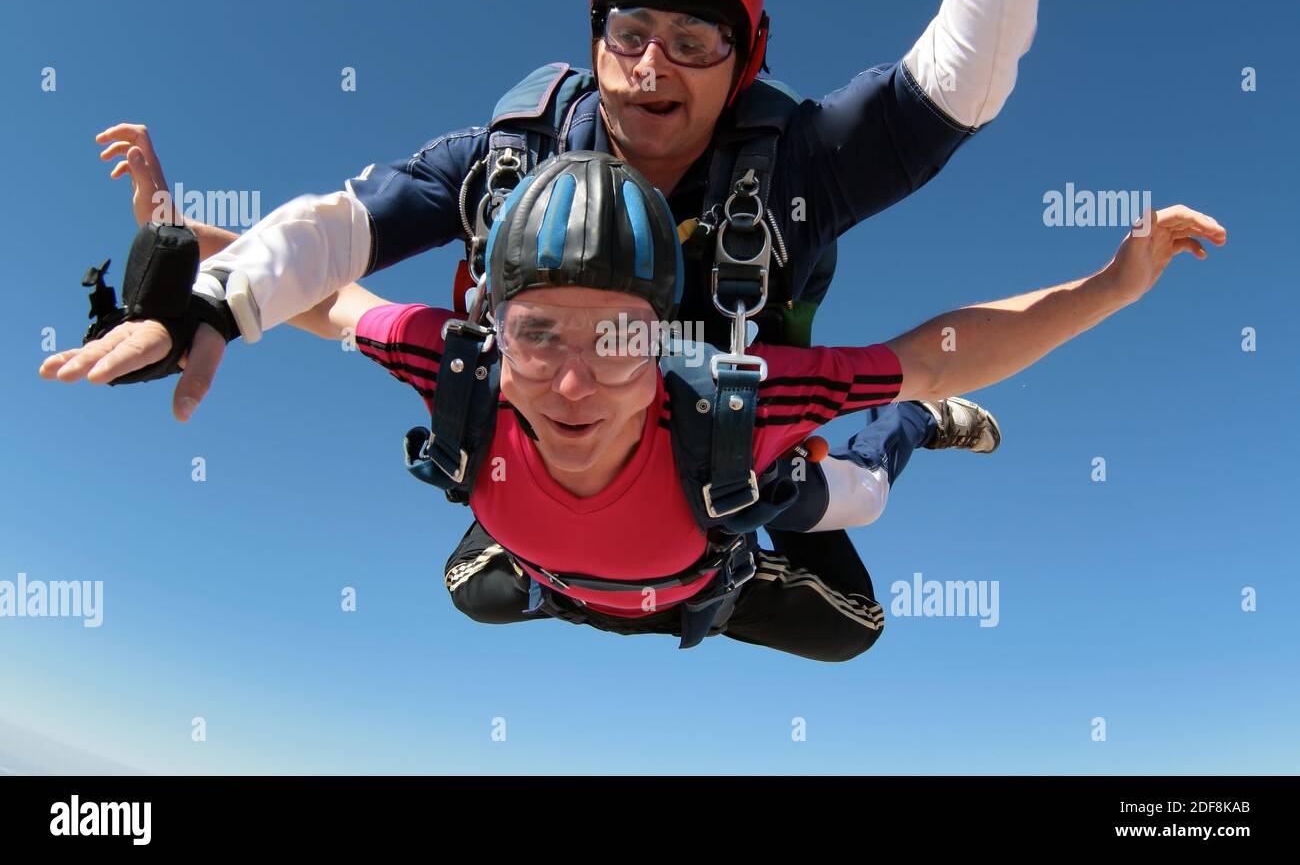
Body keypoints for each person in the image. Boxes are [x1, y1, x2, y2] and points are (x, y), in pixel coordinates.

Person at [89, 0, 1047, 620]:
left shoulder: (796, 166)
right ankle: (602, 580)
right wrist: (207, 286)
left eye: (694, 41)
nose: (652, 65)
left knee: (841, 570)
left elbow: (969, 71)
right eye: (629, 35)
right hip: (559, 437)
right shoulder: (505, 164)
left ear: (745, 61)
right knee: (481, 585)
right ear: (596, 48)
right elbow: (340, 243)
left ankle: (901, 434)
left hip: (736, 448)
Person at [42, 152, 1227, 661]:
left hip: (720, 550)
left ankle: (886, 467)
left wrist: (1109, 285)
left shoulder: (738, 400)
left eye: (615, 338)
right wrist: (194, 272)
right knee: (475, 593)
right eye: (535, 333)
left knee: (850, 538)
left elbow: (939, 350)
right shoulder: (453, 364)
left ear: (661, 338)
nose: (568, 380)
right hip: (561, 575)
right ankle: (581, 585)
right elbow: (323, 295)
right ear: (488, 331)